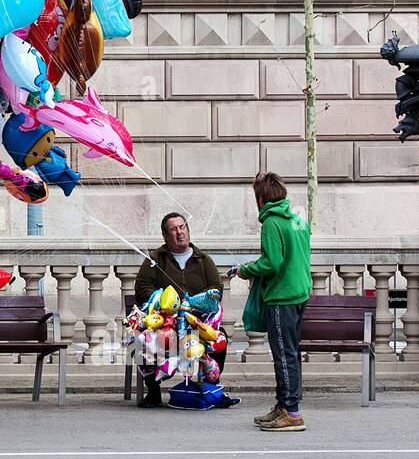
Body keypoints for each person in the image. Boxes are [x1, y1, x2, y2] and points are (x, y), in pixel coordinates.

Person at [227, 172, 312, 432]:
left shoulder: (272, 223)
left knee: (283, 355)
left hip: (281, 296)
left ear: (261, 197)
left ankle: (292, 412)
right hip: (299, 293)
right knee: (290, 353)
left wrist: (246, 270)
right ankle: (283, 407)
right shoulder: (297, 219)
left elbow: (271, 263)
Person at [133, 213, 236, 408]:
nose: (180, 232)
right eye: (174, 229)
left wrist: (194, 304)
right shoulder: (155, 259)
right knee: (142, 337)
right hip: (165, 320)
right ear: (165, 235)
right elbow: (142, 289)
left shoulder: (203, 259)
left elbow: (216, 289)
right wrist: (165, 303)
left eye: (183, 227)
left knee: (219, 336)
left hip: (197, 320)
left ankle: (211, 387)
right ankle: (153, 391)